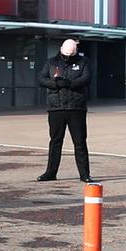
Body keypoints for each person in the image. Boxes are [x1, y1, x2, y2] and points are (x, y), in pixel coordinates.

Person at [37, 38, 91, 182]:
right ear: (61, 49)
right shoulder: (51, 62)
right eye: (66, 54)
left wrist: (70, 84)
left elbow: (86, 79)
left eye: (71, 55)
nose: (68, 57)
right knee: (55, 141)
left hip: (76, 108)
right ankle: (51, 172)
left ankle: (84, 174)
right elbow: (41, 79)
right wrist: (54, 83)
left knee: (80, 142)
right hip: (56, 108)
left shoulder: (83, 62)